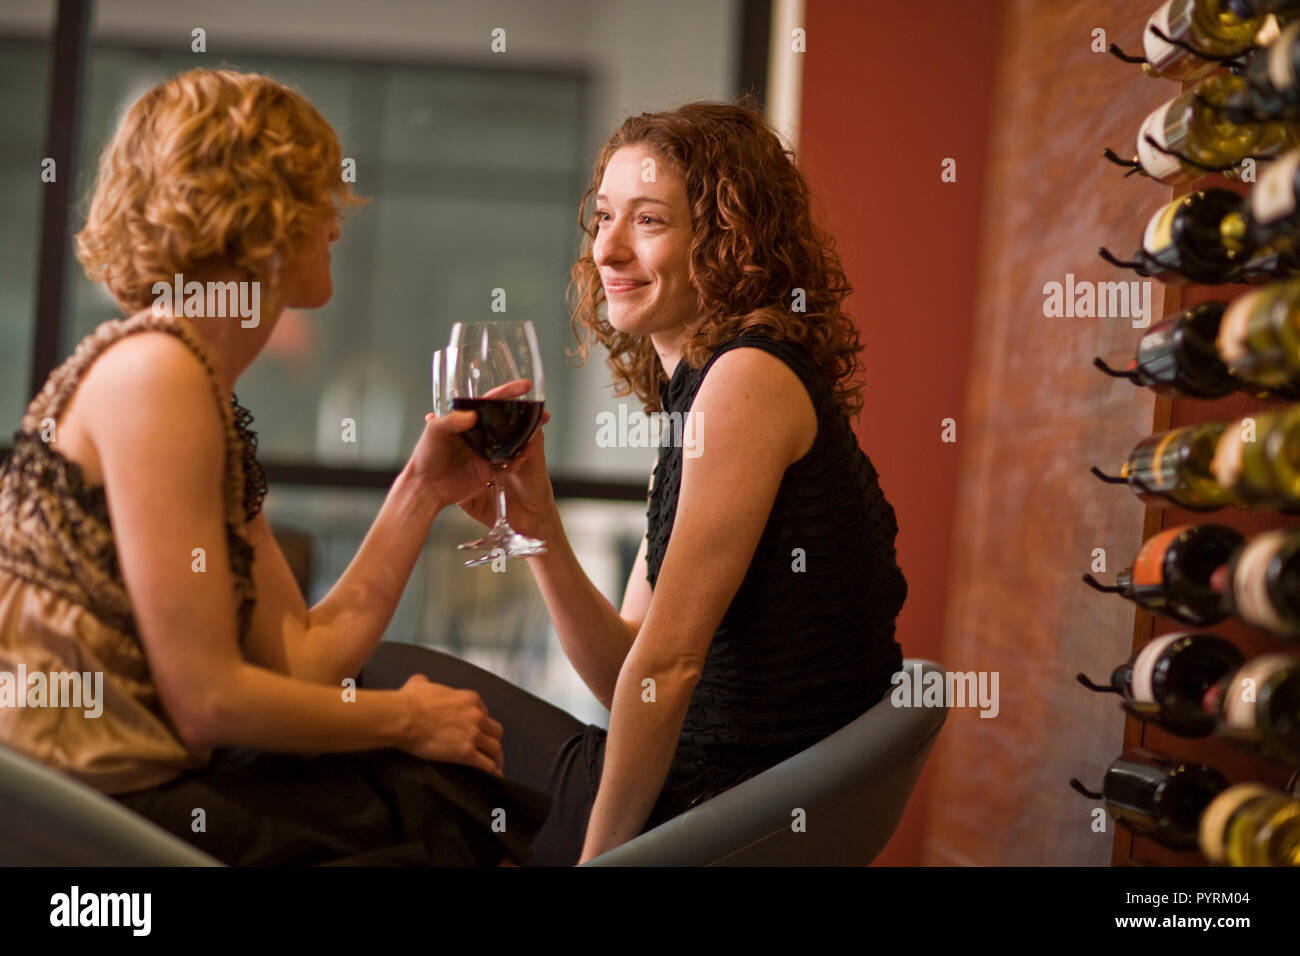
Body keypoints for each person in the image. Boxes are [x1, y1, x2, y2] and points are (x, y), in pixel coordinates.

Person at [0, 68, 550, 866]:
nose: (338, 221)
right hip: (76, 821)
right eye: (319, 192)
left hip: (123, 792)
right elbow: (208, 702)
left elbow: (303, 658)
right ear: (257, 208)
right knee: (431, 806)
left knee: (432, 793)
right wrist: (405, 717)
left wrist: (423, 490)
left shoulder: (197, 386)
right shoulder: (157, 374)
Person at [380, 101, 909, 865]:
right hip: (696, 786)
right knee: (409, 734)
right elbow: (627, 670)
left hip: (718, 807)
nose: (609, 250)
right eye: (602, 218)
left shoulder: (745, 380)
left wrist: (600, 864)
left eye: (649, 221)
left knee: (390, 686)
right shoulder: (701, 393)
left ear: (726, 243)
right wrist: (536, 527)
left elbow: (669, 668)